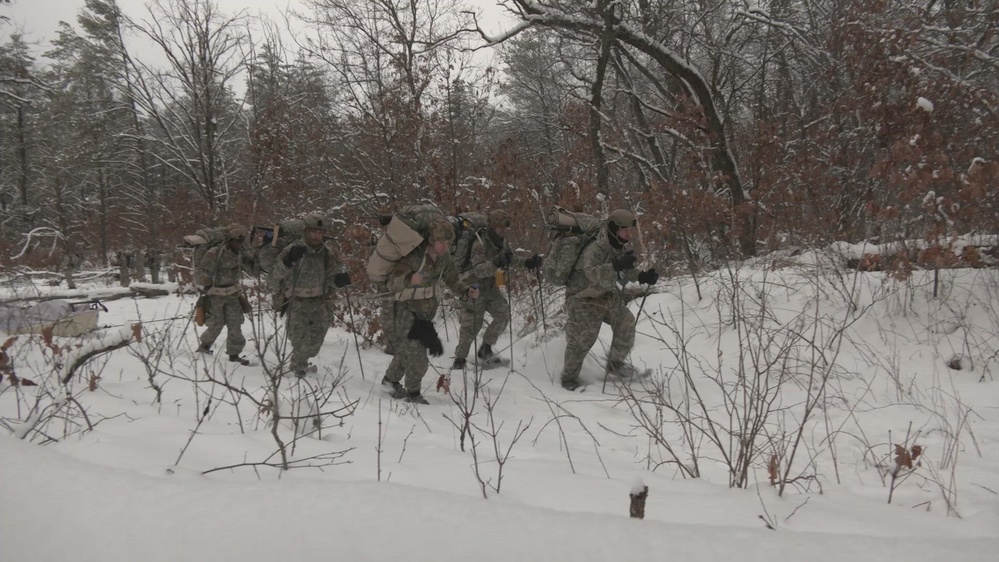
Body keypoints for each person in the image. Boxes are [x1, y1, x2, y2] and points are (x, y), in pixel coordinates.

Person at [559, 209, 659, 391]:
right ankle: (568, 379)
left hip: (606, 294)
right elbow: (592, 272)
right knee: (583, 339)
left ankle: (615, 364)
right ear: (615, 228)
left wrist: (643, 276)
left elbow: (625, 269)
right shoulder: (595, 247)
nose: (629, 235)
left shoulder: (618, 244)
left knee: (626, 321)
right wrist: (615, 265)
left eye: (630, 231)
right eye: (626, 231)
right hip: (583, 297)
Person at [381, 219, 477, 404]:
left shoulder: (444, 258)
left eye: (448, 243)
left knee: (408, 351)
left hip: (425, 314)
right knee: (418, 355)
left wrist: (466, 291)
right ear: (432, 240)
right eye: (441, 242)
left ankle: (389, 381)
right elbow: (392, 283)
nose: (444, 247)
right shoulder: (414, 257)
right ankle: (413, 394)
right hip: (404, 310)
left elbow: (453, 279)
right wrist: (410, 278)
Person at [451, 209, 541, 370]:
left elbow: (510, 259)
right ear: (492, 226)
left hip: (491, 289)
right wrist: (496, 263)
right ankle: (460, 359)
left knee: (503, 314)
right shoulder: (479, 243)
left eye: (504, 228)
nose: (502, 230)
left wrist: (527, 263)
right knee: (471, 326)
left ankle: (485, 348)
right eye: (500, 227)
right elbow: (479, 270)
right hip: (473, 288)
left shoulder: (500, 242)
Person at [272, 214, 351, 376]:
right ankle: (298, 368)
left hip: (319, 302)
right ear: (306, 232)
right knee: (299, 340)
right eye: (314, 232)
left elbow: (330, 278)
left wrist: (338, 281)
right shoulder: (293, 249)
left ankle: (300, 363)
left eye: (320, 232)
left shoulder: (327, 254)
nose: (317, 235)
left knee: (314, 343)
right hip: (296, 302)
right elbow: (274, 276)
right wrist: (288, 261)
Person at [196, 224, 257, 365]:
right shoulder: (215, 252)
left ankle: (234, 355)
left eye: (241, 242)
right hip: (216, 294)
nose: (239, 244)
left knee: (235, 324)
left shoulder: (241, 253)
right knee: (217, 323)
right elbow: (200, 273)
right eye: (236, 241)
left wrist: (251, 262)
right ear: (229, 240)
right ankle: (204, 347)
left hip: (233, 295)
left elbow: (254, 270)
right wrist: (206, 280)